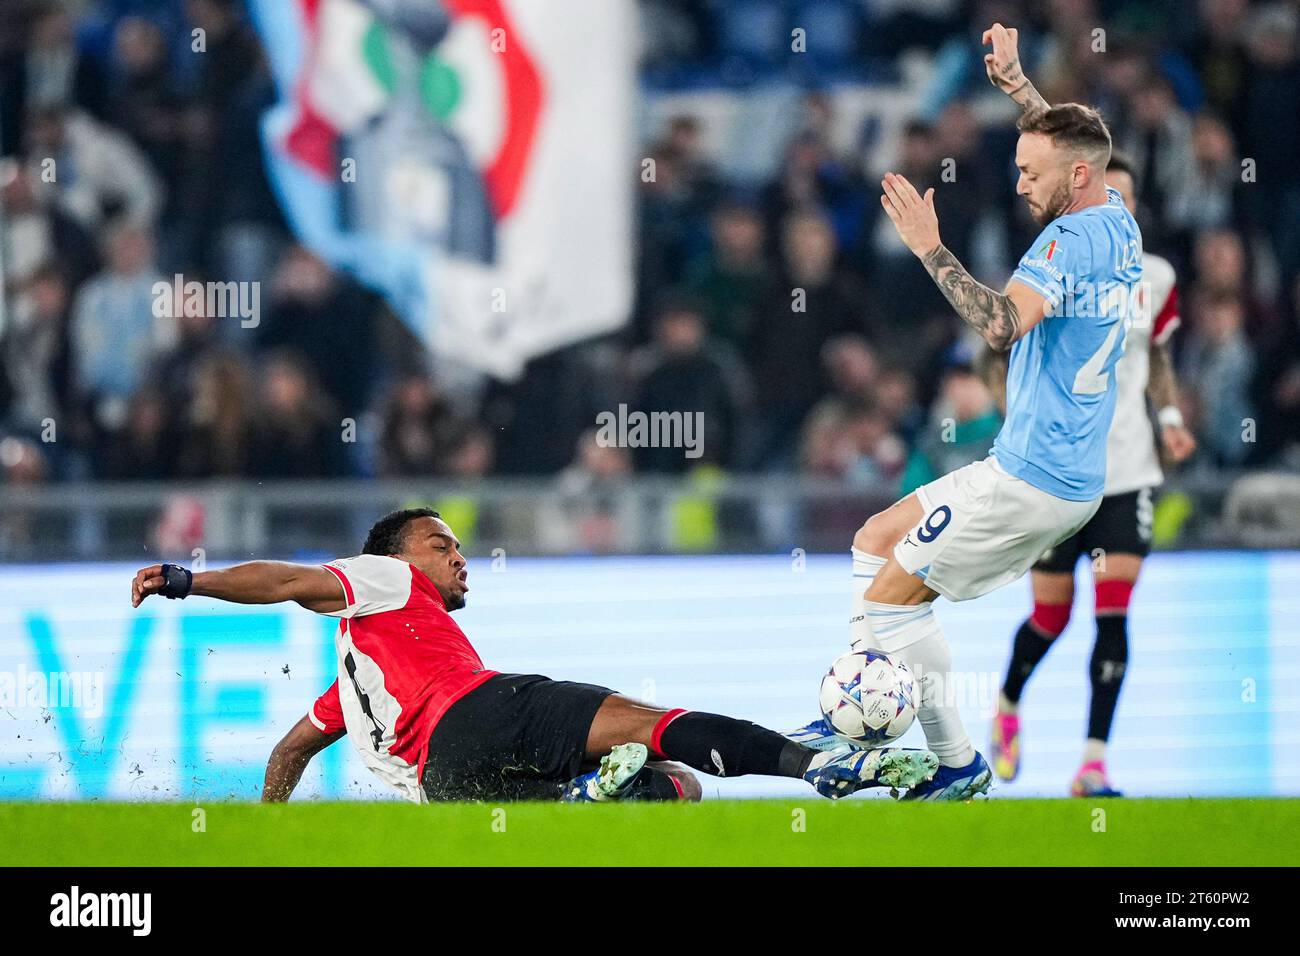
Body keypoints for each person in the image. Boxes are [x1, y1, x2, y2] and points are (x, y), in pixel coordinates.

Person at [788, 23, 1142, 802]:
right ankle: (861, 706)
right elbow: (1073, 142)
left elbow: (1000, 325)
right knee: (873, 539)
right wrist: (1018, 87)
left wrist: (928, 246)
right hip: (1040, 467)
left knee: (893, 602)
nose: (1019, 185)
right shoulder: (1117, 217)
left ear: (1076, 177)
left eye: (1029, 174)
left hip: (1034, 482)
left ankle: (950, 761)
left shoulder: (1063, 245)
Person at [130, 508, 939, 804]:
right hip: (480, 711)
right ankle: (814, 765)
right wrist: (187, 580)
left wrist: (269, 831)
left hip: (448, 790)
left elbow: (289, 751)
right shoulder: (383, 577)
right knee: (651, 725)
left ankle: (588, 797)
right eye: (441, 544)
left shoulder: (356, 688)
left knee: (675, 792)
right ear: (396, 556)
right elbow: (285, 579)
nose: (458, 557)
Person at [989, 153, 1197, 797]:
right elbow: (996, 348)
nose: (1119, 208)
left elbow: (1155, 355)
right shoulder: (1060, 263)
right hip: (1058, 473)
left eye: (1127, 199)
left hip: (1127, 473)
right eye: (1111, 197)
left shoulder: (1155, 277)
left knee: (1113, 615)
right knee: (1051, 616)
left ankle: (1093, 763)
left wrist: (1168, 416)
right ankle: (1008, 701)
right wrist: (1019, 418)